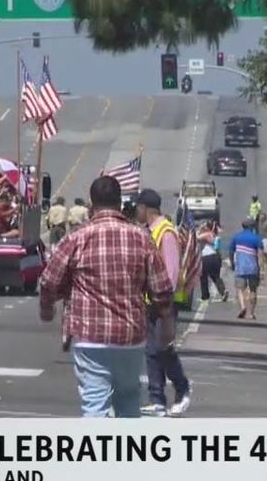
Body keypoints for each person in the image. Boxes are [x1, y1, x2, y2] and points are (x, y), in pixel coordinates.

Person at [38, 176, 175, 418]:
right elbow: (161, 288)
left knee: (95, 404)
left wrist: (47, 308)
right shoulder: (141, 238)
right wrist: (166, 324)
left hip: (91, 336)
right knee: (129, 400)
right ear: (120, 202)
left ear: (92, 203)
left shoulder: (77, 238)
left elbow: (49, 280)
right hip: (131, 336)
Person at [133, 189, 193, 417]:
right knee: (151, 351)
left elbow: (170, 271)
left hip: (165, 302)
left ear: (145, 209)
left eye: (137, 208)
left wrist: (164, 303)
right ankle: (156, 399)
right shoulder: (150, 232)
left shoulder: (165, 233)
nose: (136, 212)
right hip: (151, 301)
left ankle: (182, 388)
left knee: (162, 349)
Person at [229, 218, 264, 320]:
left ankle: (243, 307)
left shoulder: (236, 237)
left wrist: (232, 263)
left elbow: (231, 252)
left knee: (240, 289)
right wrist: (261, 269)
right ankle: (251, 313)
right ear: (252, 227)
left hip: (240, 267)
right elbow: (260, 254)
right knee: (253, 290)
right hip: (253, 268)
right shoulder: (257, 238)